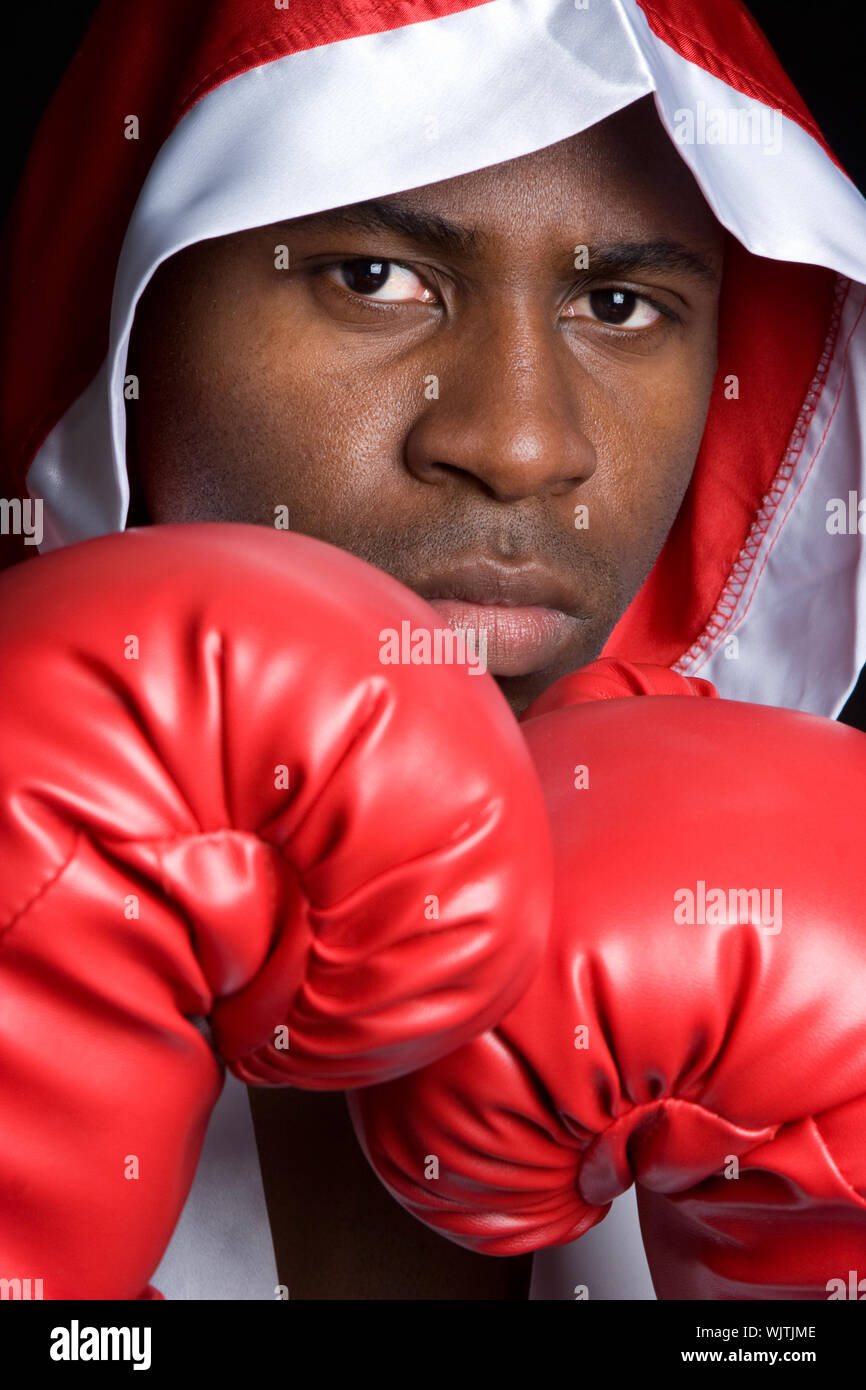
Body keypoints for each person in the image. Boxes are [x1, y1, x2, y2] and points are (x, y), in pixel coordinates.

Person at [1, 0, 865, 1299]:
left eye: (618, 302)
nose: (520, 445)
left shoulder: (801, 945)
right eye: (371, 278)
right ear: (127, 315)